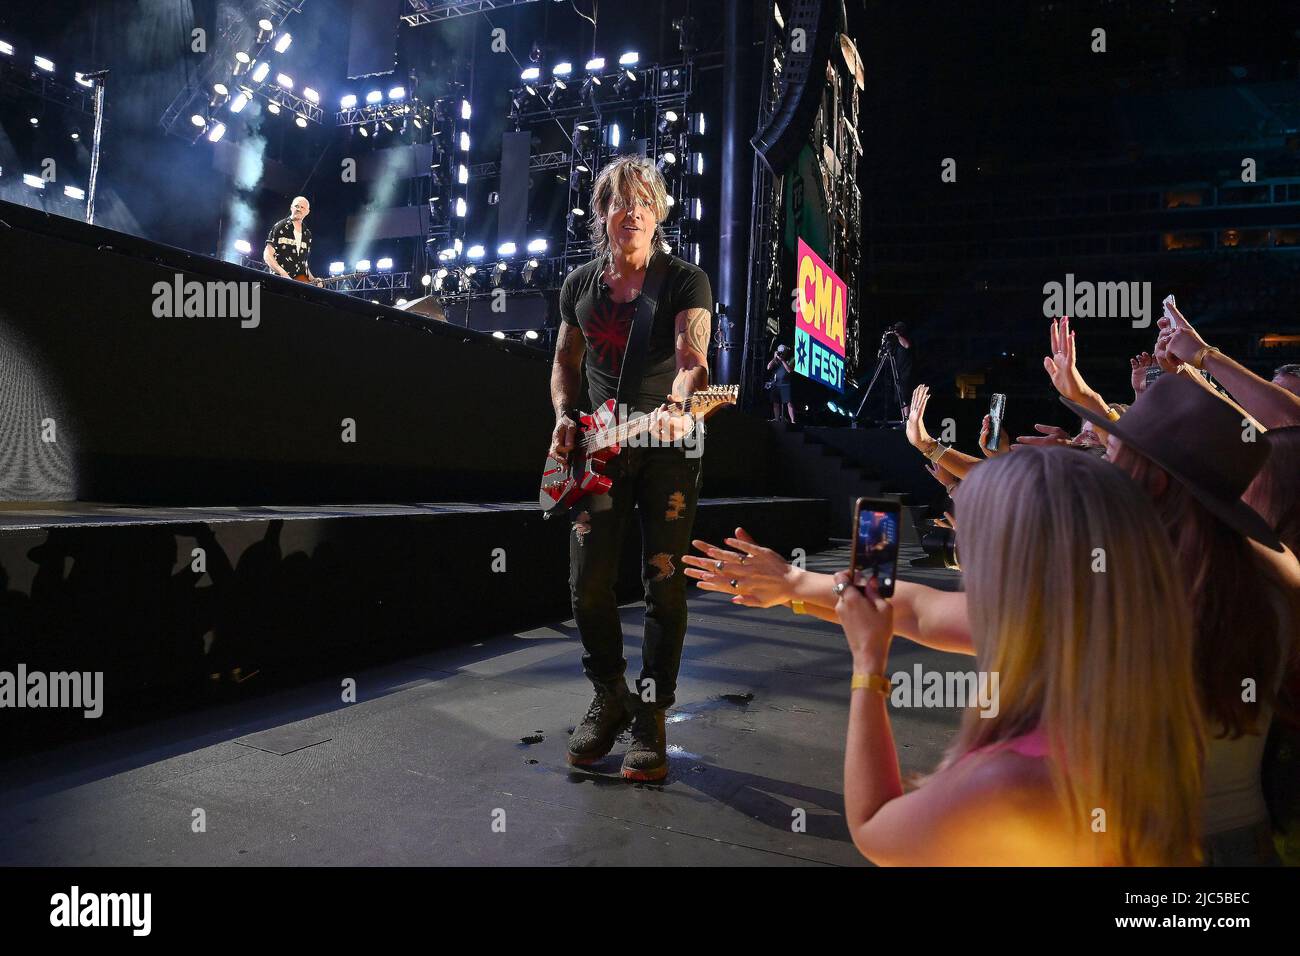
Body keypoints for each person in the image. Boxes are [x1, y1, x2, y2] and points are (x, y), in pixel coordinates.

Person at [688, 450, 1204, 864]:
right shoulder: (1103, 633)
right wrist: (793, 585)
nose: (962, 570)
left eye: (966, 550)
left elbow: (876, 829)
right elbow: (919, 611)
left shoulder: (1013, 782)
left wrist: (868, 666)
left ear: (1012, 569)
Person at [1064, 375, 1298, 865]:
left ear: (1155, 481)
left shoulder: (1122, 587)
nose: (1104, 466)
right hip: (1243, 844)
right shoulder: (1268, 584)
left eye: (1115, 456)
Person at [547, 155, 713, 781]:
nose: (634, 213)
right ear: (602, 213)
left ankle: (652, 713)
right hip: (598, 450)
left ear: (660, 212)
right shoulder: (579, 286)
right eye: (622, 202)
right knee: (587, 581)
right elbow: (564, 362)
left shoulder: (684, 280)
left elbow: (692, 361)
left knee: (663, 581)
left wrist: (680, 403)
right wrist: (564, 416)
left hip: (669, 445)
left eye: (645, 202)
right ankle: (610, 695)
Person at [263, 196, 323, 286]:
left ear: (307, 212)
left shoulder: (307, 234)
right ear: (291, 207)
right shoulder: (280, 227)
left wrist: (313, 279)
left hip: (297, 287)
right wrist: (283, 274)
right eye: (296, 206)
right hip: (278, 283)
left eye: (302, 207)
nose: (299, 209)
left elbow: (303, 263)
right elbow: (267, 255)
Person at [766, 344, 795, 422]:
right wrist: (774, 358)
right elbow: (768, 367)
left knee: (789, 402)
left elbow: (789, 370)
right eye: (780, 352)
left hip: (785, 383)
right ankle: (777, 419)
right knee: (775, 402)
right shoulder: (776, 360)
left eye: (783, 352)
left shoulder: (791, 359)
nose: (781, 354)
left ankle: (792, 420)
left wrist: (782, 360)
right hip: (776, 384)